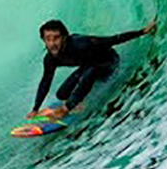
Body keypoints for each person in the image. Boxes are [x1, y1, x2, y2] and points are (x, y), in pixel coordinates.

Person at [28, 17, 157, 119]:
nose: (52, 43)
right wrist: (35, 108)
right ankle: (76, 102)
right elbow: (46, 81)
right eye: (48, 39)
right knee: (61, 94)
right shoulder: (50, 59)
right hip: (88, 65)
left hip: (108, 63)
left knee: (90, 72)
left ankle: (68, 108)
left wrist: (143, 31)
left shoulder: (81, 43)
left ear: (65, 38)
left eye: (56, 38)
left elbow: (113, 40)